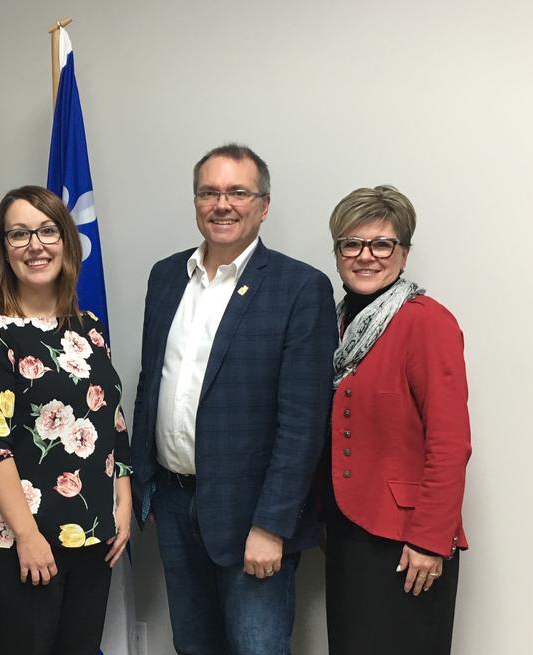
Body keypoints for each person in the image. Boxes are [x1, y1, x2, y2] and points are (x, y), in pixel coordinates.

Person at [130, 143, 337, 654]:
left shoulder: (299, 287)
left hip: (253, 518)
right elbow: (149, 384)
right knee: (193, 647)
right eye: (210, 192)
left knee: (256, 649)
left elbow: (303, 424)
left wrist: (272, 526)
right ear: (196, 202)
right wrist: (144, 485)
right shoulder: (165, 276)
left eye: (238, 192)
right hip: (175, 507)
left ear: (263, 206)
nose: (222, 204)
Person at [0, 185, 132, 655]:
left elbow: (112, 425)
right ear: (3, 250)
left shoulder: (89, 328)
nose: (36, 245)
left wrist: (123, 504)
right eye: (19, 234)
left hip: (93, 541)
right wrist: (28, 537)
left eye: (48, 230)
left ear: (68, 243)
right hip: (21, 548)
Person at [320, 185, 471, 655]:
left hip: (406, 539)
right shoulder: (335, 322)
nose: (366, 256)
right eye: (351, 243)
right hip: (348, 530)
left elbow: (450, 443)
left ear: (403, 254)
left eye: (381, 244)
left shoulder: (425, 321)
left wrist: (430, 541)